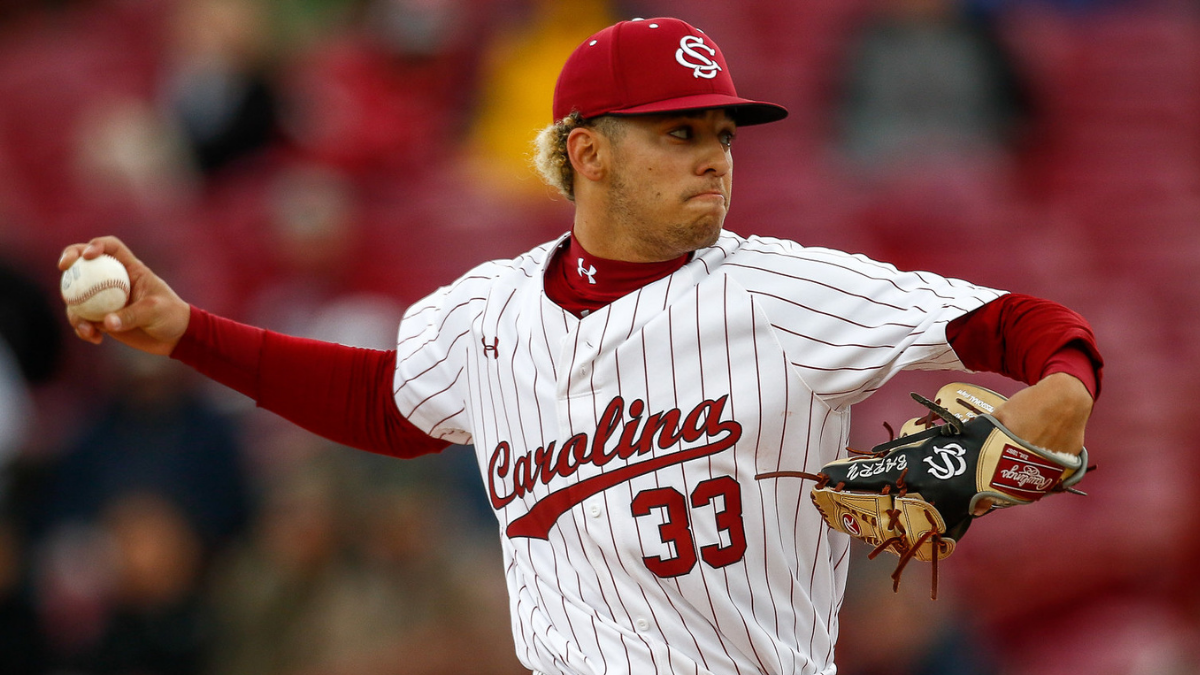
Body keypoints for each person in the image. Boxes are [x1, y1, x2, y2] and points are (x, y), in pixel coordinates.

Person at [59, 17, 1101, 675]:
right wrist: (185, 331)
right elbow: (384, 406)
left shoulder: (786, 290)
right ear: (589, 153)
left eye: (722, 134)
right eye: (679, 134)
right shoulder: (487, 312)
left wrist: (1064, 384)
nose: (714, 159)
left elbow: (1023, 324)